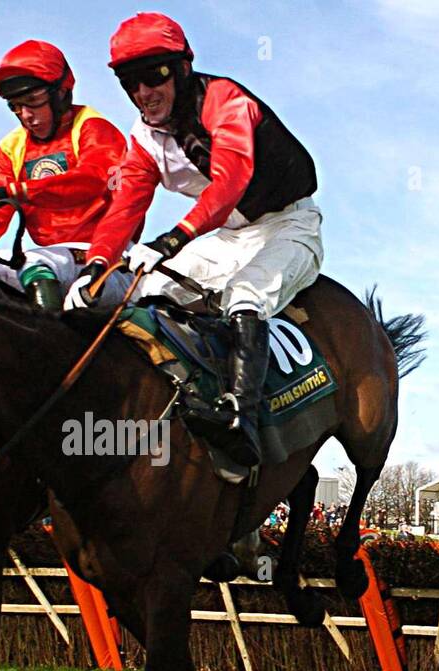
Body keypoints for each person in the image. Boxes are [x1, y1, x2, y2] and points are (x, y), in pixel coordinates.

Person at [64, 11, 323, 467]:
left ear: (182, 69)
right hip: (227, 234)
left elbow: (231, 180)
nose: (143, 93)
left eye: (154, 75)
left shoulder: (225, 100)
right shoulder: (144, 138)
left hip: (289, 225)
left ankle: (241, 419)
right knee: (147, 289)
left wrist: (177, 236)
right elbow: (124, 207)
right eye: (131, 82)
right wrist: (97, 264)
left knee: (245, 295)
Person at [0, 40, 132, 311]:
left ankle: (52, 347)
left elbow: (91, 181)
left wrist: (17, 191)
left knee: (36, 264)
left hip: (108, 260)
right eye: (15, 106)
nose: (25, 115)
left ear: (61, 94)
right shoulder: (10, 147)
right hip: (49, 260)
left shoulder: (94, 128)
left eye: (33, 101)